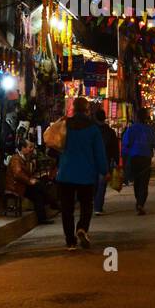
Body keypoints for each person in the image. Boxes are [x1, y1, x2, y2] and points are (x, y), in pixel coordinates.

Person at [55, 97, 108, 250]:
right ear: (87, 109)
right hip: (86, 174)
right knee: (86, 205)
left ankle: (70, 241)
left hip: (65, 173)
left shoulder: (65, 125)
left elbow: (55, 144)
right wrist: (104, 171)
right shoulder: (93, 129)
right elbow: (99, 153)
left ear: (73, 108)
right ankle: (82, 228)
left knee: (67, 208)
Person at [121, 107, 155, 215]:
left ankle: (139, 201)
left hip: (133, 158)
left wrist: (124, 158)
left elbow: (125, 144)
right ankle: (140, 203)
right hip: (145, 158)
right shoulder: (150, 129)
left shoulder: (131, 129)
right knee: (144, 182)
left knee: (137, 181)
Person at [6, 139, 54, 224]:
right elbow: (18, 173)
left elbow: (28, 172)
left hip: (23, 185)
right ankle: (52, 203)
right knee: (38, 186)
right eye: (29, 147)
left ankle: (42, 218)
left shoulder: (25, 158)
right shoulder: (16, 159)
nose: (31, 149)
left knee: (38, 193)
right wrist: (29, 181)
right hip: (17, 186)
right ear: (23, 148)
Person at [92, 107, 120, 215]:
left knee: (94, 184)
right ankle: (98, 207)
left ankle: (95, 204)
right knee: (101, 185)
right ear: (105, 118)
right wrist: (117, 161)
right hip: (105, 161)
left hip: (92, 161)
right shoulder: (110, 132)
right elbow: (115, 148)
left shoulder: (91, 130)